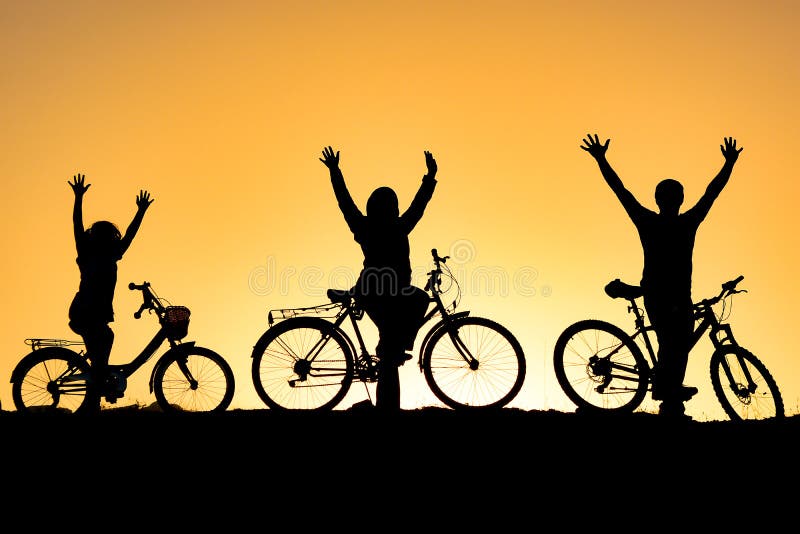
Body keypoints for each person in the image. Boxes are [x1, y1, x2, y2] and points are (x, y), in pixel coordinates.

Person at [580, 134, 743, 418]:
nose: (672, 200)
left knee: (678, 347)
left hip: (672, 296)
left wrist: (602, 160)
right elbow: (709, 193)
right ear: (675, 199)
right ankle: (668, 395)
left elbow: (622, 191)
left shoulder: (660, 221)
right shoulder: (679, 222)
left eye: (672, 196)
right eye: (671, 196)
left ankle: (671, 402)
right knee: (674, 345)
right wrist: (728, 164)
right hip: (661, 295)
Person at [319, 146, 438, 411]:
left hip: (381, 293)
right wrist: (429, 178)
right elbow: (419, 206)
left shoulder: (365, 226)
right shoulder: (397, 226)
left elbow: (345, 202)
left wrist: (335, 172)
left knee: (390, 350)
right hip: (382, 294)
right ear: (392, 208)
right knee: (392, 345)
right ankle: (388, 399)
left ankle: (396, 351)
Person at [68, 173, 154, 413]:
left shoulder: (98, 253)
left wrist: (141, 211)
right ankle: (92, 401)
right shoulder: (96, 253)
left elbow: (128, 235)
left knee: (101, 352)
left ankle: (93, 400)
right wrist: (77, 199)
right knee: (103, 347)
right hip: (87, 311)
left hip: (90, 311)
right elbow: (78, 226)